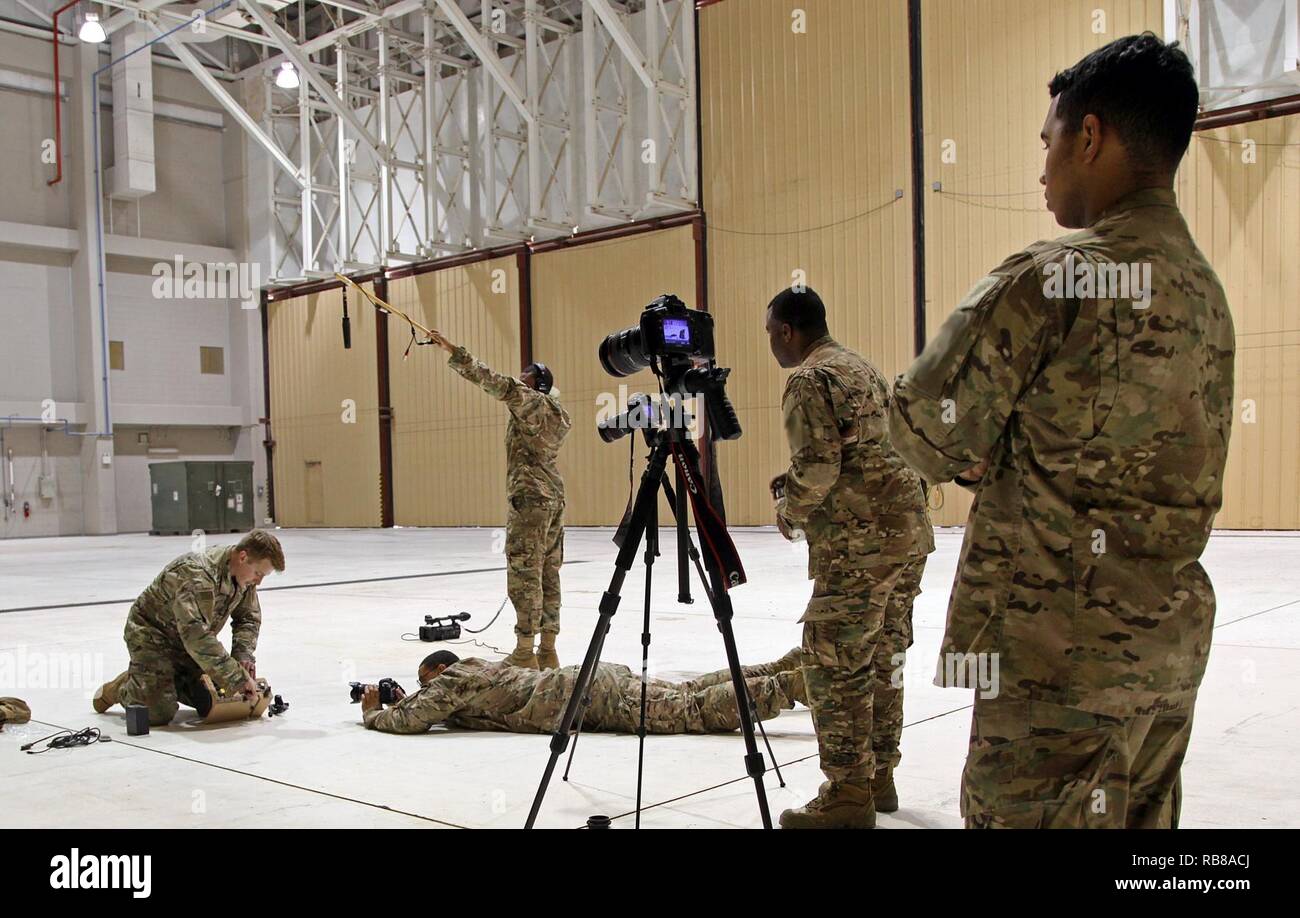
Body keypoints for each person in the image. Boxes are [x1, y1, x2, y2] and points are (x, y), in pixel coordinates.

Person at [888, 34, 1233, 828]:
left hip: (1053, 669)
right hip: (1164, 660)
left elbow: (922, 432)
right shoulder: (1207, 296)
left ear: (1089, 136)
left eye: (1047, 143)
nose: (1042, 170)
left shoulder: (1052, 276)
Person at [764, 287, 935, 829]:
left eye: (771, 333)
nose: (771, 343)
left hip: (861, 544)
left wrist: (787, 509)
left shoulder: (808, 379)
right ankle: (878, 777)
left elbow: (816, 470)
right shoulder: (861, 367)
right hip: (906, 534)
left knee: (833, 665)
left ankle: (846, 794)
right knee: (884, 658)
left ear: (787, 331)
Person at [424, 327, 571, 670]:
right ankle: (547, 650)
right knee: (550, 572)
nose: (520, 383)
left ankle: (524, 651)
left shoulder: (531, 402)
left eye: (526, 378)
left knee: (524, 572)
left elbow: (495, 382)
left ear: (538, 386)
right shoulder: (558, 415)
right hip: (553, 498)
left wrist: (452, 350)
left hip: (530, 500)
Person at [360, 648, 805, 735]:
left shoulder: (455, 680)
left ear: (441, 669)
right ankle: (782, 667)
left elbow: (410, 720)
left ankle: (794, 685)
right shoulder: (477, 674)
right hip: (592, 680)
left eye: (425, 681)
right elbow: (435, 708)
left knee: (691, 712)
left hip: (588, 696)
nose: (424, 690)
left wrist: (374, 713)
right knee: (687, 691)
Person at [92, 530, 285, 726]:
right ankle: (123, 686)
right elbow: (197, 636)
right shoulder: (198, 574)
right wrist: (237, 677)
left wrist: (242, 655)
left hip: (189, 646)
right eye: (259, 573)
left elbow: (248, 618)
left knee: (217, 699)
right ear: (243, 557)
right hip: (152, 637)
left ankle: (160, 676)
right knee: (157, 713)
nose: (259, 581)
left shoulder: (244, 576)